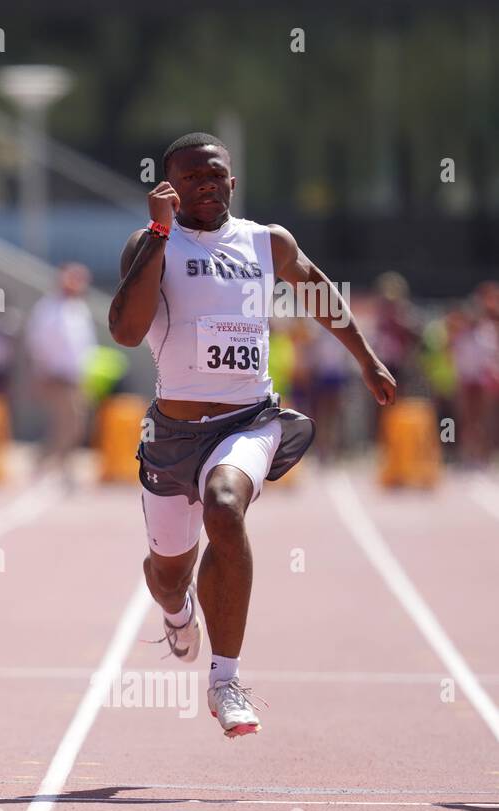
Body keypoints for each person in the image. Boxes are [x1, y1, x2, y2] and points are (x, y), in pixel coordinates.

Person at [107, 132, 396, 738]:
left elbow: (318, 290)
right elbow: (126, 331)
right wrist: (158, 235)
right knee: (166, 571)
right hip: (173, 433)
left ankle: (224, 680)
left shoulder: (267, 243)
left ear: (232, 180)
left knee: (225, 504)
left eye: (215, 175)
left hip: (248, 420)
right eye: (190, 179)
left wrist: (365, 358)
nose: (205, 186)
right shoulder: (153, 242)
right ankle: (177, 610)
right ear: (170, 187)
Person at [26, 262, 98, 480]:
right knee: (67, 424)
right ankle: (56, 466)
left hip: (77, 377)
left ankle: (51, 463)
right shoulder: (48, 307)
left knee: (73, 425)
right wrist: (43, 371)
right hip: (56, 377)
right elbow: (36, 342)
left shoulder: (79, 308)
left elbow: (85, 344)